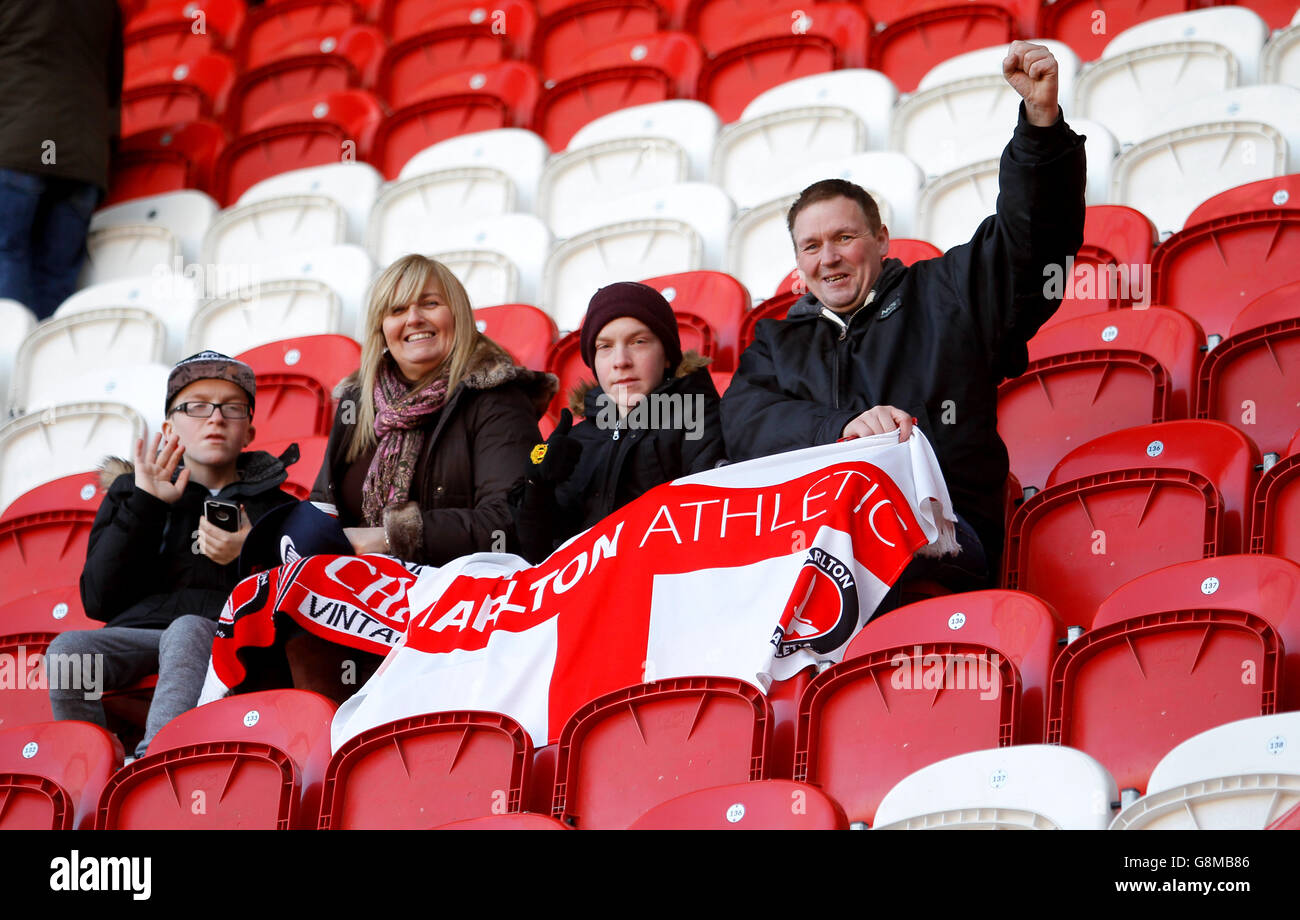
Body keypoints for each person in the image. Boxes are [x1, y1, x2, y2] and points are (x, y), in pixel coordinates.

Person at [721, 41, 1086, 590]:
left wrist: (1038, 129)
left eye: (844, 237)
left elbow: (1032, 246)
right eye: (811, 246)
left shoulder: (947, 294)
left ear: (882, 240)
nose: (829, 258)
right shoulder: (776, 344)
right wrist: (839, 428)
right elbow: (744, 424)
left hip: (942, 541)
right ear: (798, 260)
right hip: (818, 549)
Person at [301, 254, 554, 696]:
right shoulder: (356, 404)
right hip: (364, 608)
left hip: (465, 613)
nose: (414, 319)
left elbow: (510, 524)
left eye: (429, 304)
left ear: (456, 313)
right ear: (381, 326)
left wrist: (388, 537)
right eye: (397, 310)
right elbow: (323, 511)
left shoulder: (495, 397)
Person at [48, 352, 298, 758]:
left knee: (185, 630)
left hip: (226, 636)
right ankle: (87, 765)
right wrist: (146, 504)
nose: (215, 418)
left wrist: (251, 552)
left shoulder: (278, 508)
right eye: (196, 407)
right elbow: (99, 600)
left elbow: (294, 602)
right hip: (142, 633)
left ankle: (155, 762)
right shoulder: (131, 493)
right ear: (170, 427)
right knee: (67, 650)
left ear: (249, 431)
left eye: (231, 408)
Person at [512, 282, 726, 562]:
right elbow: (536, 556)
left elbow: (711, 529)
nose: (621, 361)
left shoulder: (700, 420)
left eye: (638, 342)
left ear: (667, 356)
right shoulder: (579, 439)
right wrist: (537, 486)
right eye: (605, 347)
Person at [0, 0, 122, 320]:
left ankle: (11, 363)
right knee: (55, 278)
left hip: (19, 143)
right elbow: (113, 81)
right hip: (82, 155)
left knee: (6, 256)